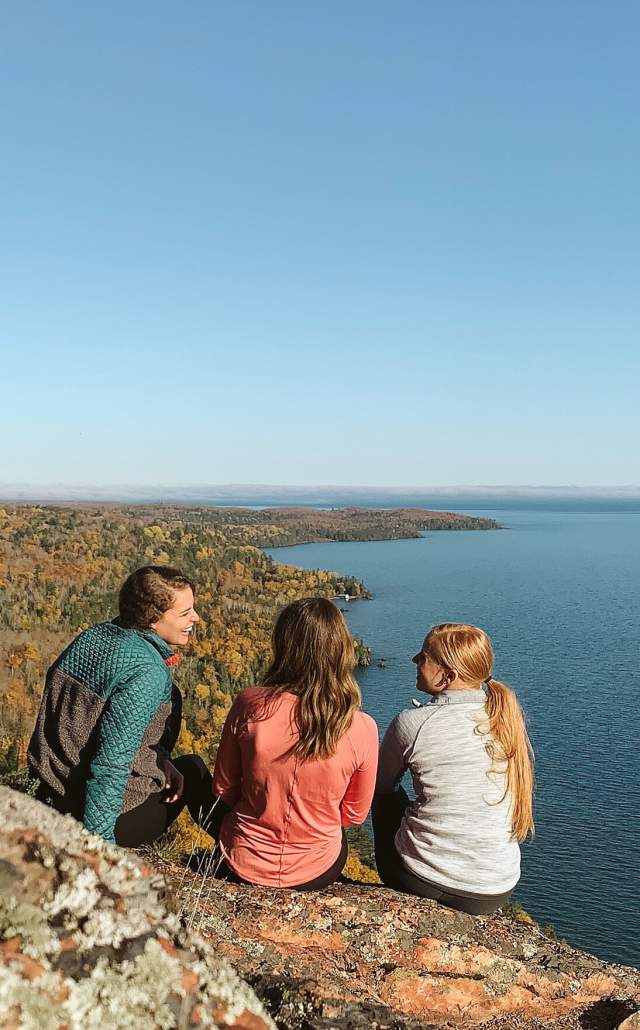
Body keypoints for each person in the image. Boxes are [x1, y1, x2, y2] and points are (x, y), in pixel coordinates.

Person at [28, 565, 217, 847]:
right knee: (193, 769)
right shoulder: (147, 671)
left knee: (175, 720)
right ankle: (247, 852)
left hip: (50, 794)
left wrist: (160, 760)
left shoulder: (93, 637)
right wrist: (100, 847)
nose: (196, 618)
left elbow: (86, 727)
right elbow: (111, 764)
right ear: (152, 619)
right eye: (184, 613)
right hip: (98, 815)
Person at [210, 597, 379, 889]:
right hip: (317, 870)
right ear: (340, 651)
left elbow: (223, 789)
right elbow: (353, 814)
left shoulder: (249, 704)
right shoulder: (361, 727)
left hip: (242, 860)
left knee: (190, 768)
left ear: (284, 647)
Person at [373, 623, 534, 914]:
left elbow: (381, 785)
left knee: (383, 796)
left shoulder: (413, 723)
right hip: (493, 891)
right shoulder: (505, 719)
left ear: (448, 676)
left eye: (423, 657)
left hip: (417, 878)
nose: (414, 660)